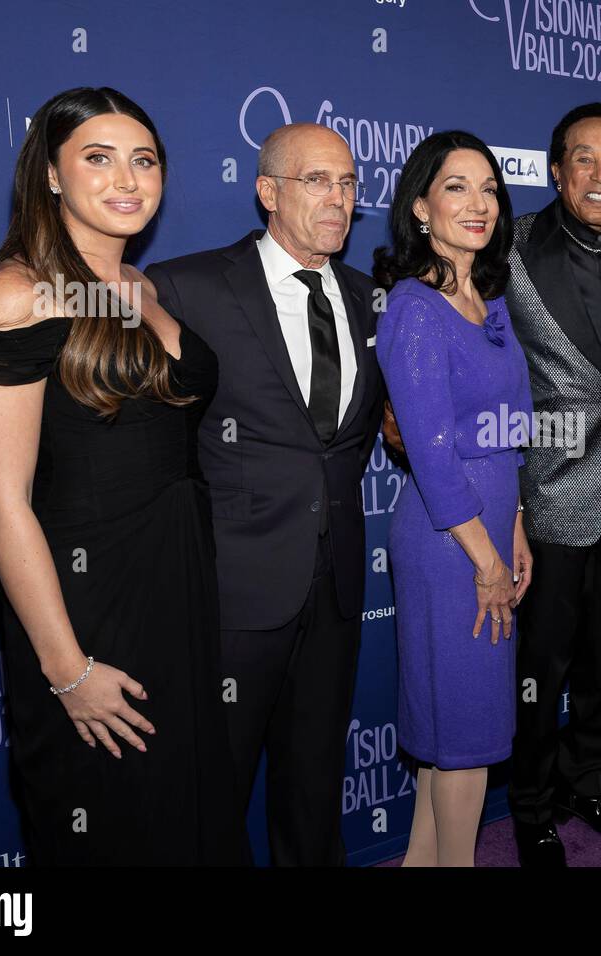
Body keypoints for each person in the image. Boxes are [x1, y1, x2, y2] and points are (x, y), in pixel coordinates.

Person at [0, 86, 246, 865]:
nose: (128, 178)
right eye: (99, 157)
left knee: (189, 819)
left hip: (176, 589)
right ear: (51, 175)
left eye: (144, 160)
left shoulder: (141, 289)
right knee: (112, 827)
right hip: (85, 606)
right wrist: (66, 668)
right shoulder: (17, 293)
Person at [142, 123, 384, 864]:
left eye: (347, 183)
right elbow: (88, 360)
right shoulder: (189, 286)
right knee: (212, 793)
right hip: (233, 589)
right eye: (317, 180)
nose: (338, 199)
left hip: (337, 582)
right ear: (268, 192)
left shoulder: (371, 297)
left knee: (314, 786)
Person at [503, 103, 601, 867]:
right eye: (585, 159)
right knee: (541, 666)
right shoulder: (507, 246)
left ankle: (585, 781)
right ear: (556, 169)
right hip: (545, 494)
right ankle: (530, 805)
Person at [373, 131, 534, 867]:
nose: (479, 203)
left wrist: (518, 530)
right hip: (450, 543)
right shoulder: (413, 308)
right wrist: (487, 560)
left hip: (491, 530)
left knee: (452, 736)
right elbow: (433, 454)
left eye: (490, 188)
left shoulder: (487, 301)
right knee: (463, 738)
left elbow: (510, 431)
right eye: (457, 187)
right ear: (420, 207)